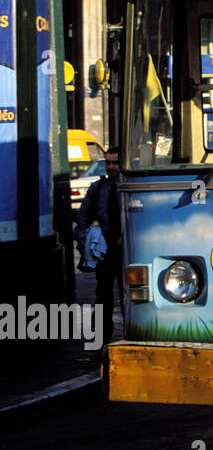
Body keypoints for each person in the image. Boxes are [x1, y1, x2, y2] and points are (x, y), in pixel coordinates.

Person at [74, 146, 122, 343]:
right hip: (105, 249)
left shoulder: (127, 186)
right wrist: (83, 238)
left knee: (128, 295)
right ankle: (101, 340)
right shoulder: (98, 188)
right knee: (103, 294)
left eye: (114, 163)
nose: (110, 167)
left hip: (125, 248)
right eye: (108, 163)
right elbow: (82, 217)